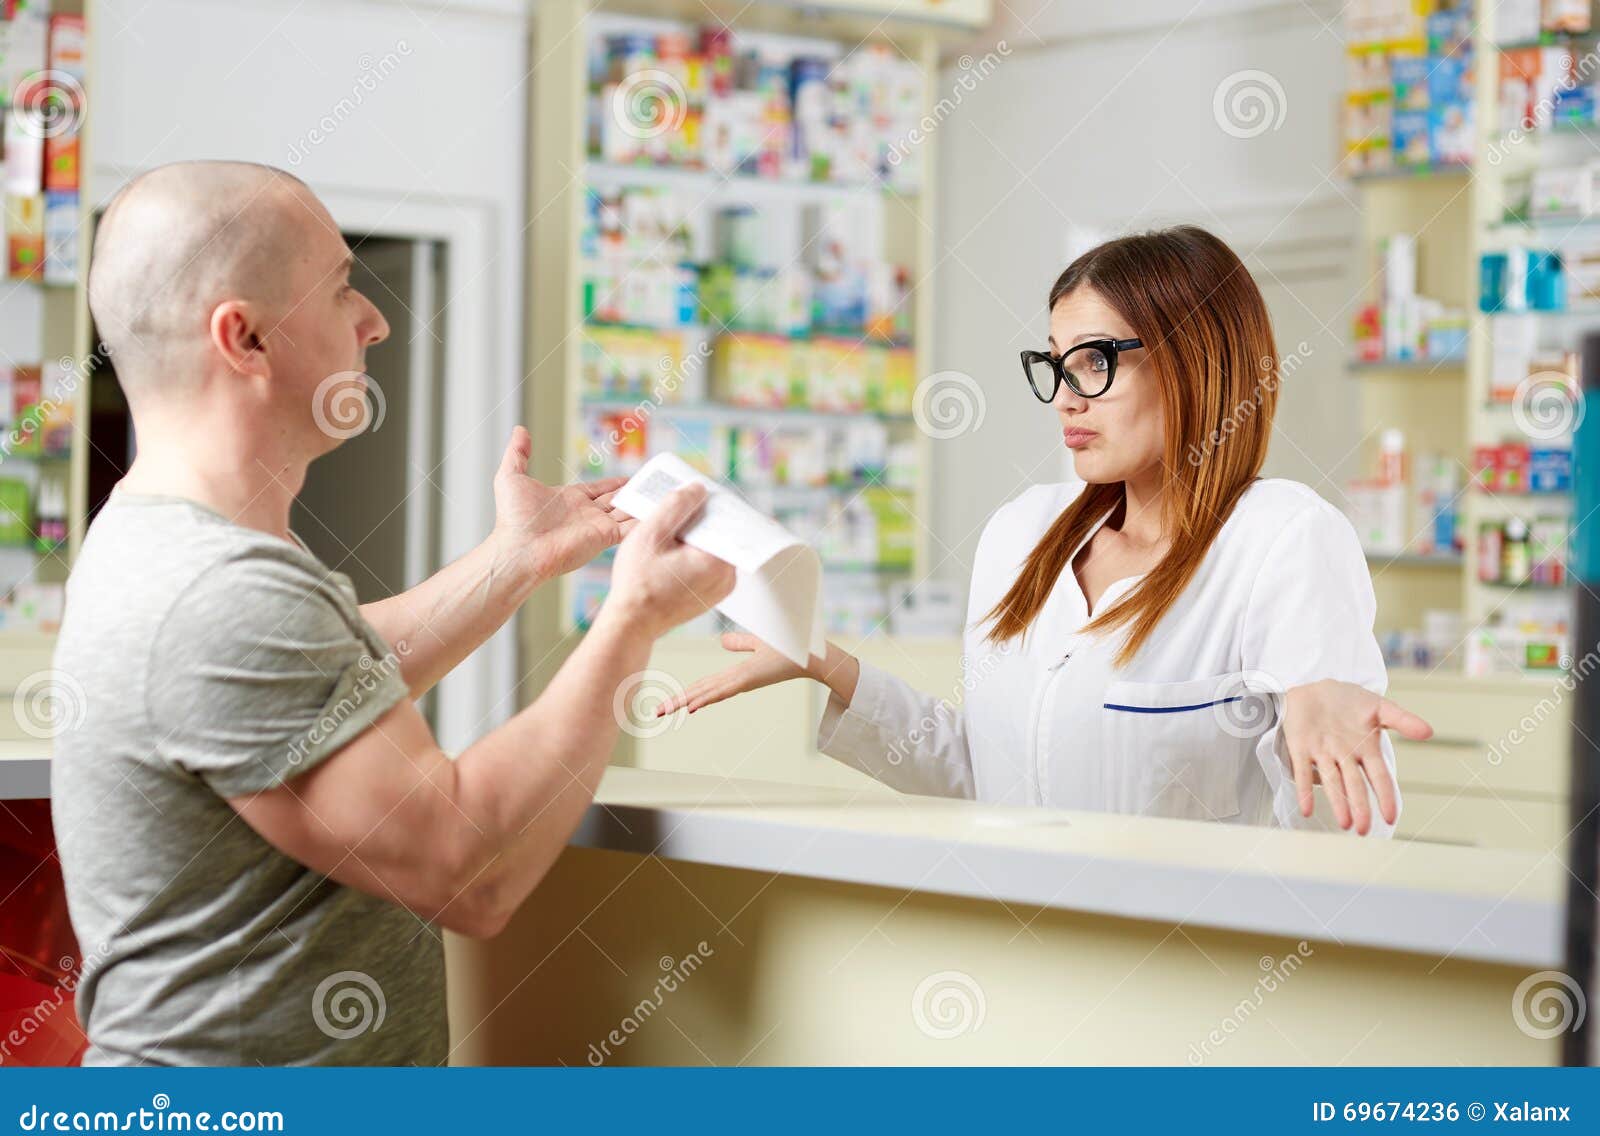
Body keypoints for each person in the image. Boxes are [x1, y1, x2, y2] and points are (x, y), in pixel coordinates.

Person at [50, 160, 735, 1065]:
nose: (374, 318)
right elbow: (469, 868)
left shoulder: (159, 543)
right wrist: (631, 619)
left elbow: (316, 691)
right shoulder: (219, 594)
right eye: (341, 289)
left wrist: (512, 563)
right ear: (244, 339)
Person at [659, 226, 1432, 836]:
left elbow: (1346, 845)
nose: (1065, 397)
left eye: (1094, 361)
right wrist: (826, 665)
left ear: (1196, 361)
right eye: (1056, 363)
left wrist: (1311, 714)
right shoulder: (1021, 534)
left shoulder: (1284, 538)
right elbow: (988, 781)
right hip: (1024, 952)